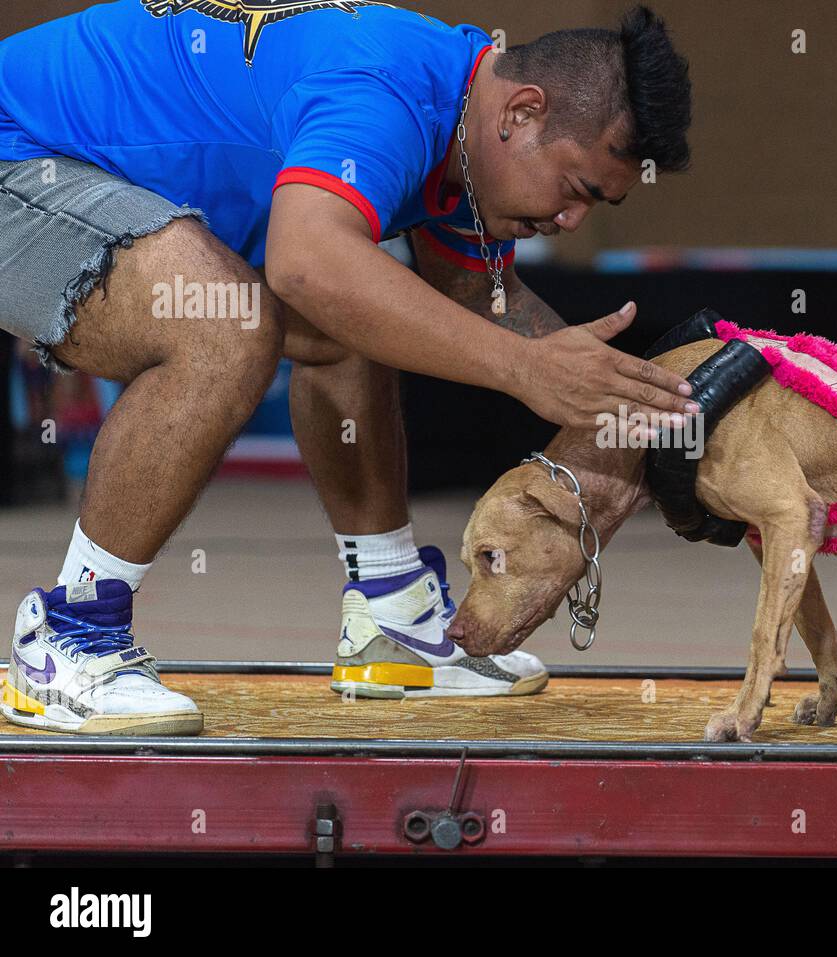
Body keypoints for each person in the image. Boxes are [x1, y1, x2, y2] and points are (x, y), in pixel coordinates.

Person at [0, 1, 694, 734]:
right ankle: (68, 636)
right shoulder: (383, 93)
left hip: (93, 184)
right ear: (521, 112)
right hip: (20, 158)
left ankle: (391, 614)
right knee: (231, 319)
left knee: (366, 305)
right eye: (578, 189)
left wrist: (651, 412)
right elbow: (306, 264)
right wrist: (526, 369)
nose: (571, 221)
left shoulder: (465, 134)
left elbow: (477, 303)